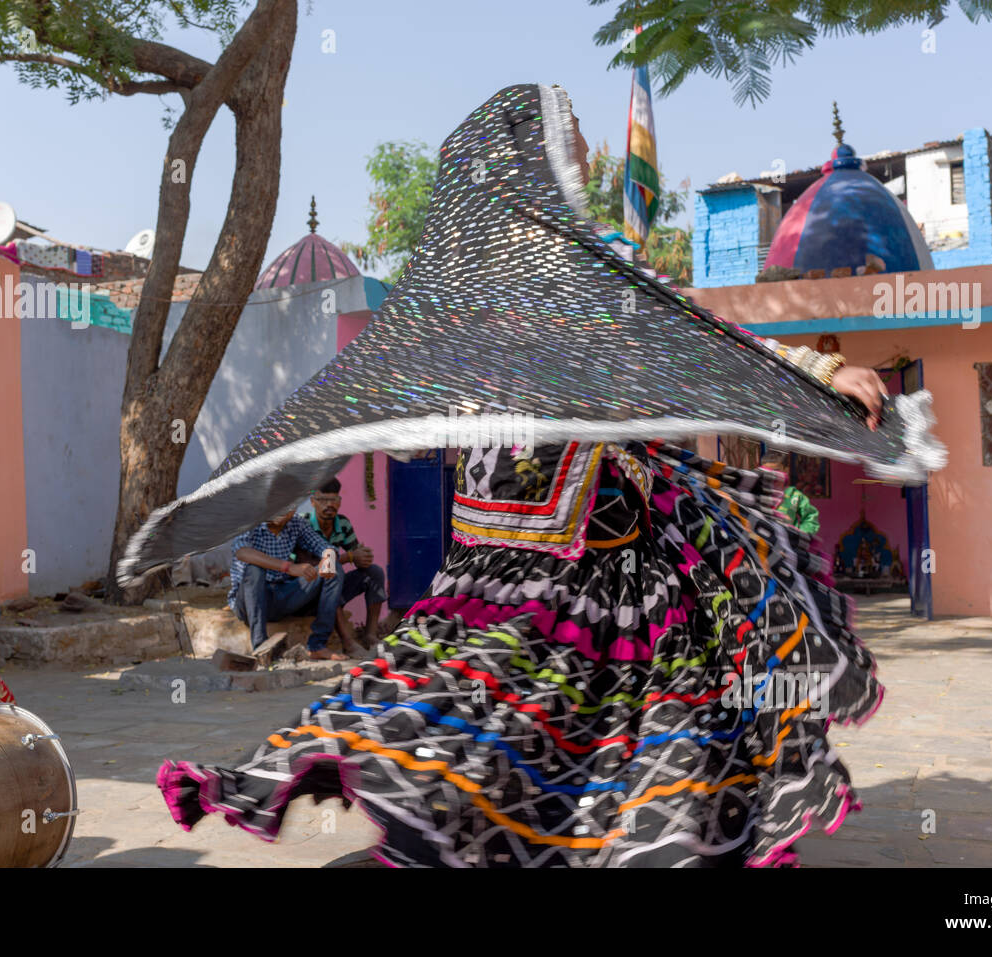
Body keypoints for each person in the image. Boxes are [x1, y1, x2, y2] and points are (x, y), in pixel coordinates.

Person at [139, 83, 944, 867]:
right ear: (522, 159)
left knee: (624, 708)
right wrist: (244, 487)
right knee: (460, 703)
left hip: (606, 539)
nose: (583, 156)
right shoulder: (457, 292)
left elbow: (694, 338)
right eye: (570, 140)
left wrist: (807, 369)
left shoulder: (587, 267)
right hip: (499, 550)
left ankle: (639, 837)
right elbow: (367, 385)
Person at [228, 507, 347, 661]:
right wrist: (288, 567)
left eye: (288, 505)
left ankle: (317, 645)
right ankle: (261, 647)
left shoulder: (296, 523)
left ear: (294, 507)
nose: (280, 509)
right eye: (276, 503)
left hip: (281, 596)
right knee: (254, 569)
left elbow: (323, 546)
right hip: (249, 601)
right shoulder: (252, 520)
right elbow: (242, 552)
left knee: (335, 568)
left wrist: (329, 557)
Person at [295, 479, 386, 654]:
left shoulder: (342, 523)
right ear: (313, 502)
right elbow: (302, 566)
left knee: (374, 572)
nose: (329, 505)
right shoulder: (302, 523)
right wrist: (349, 557)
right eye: (323, 500)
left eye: (334, 500)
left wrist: (362, 557)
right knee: (333, 575)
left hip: (331, 585)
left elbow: (355, 552)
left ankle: (370, 635)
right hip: (305, 590)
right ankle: (348, 642)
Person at [759, 450, 821, 534]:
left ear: (786, 470)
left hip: (788, 543)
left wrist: (800, 534)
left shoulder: (794, 495)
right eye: (767, 472)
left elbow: (810, 517)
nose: (772, 475)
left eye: (776, 471)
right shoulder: (758, 492)